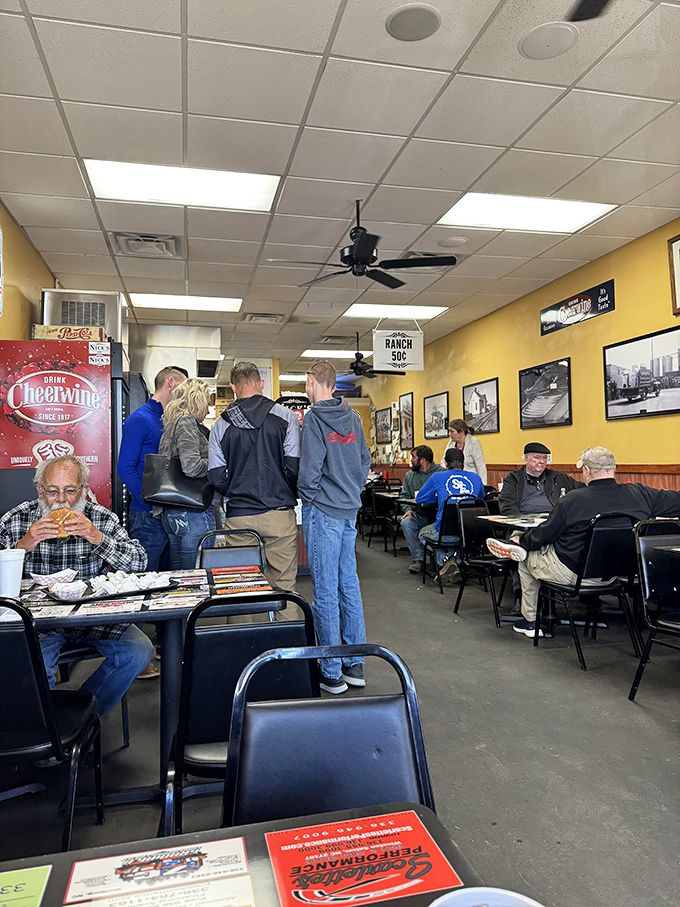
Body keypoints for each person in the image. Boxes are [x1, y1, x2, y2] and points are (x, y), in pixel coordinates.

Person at [0, 455, 153, 717]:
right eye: (52, 491)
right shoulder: (17, 519)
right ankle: (45, 735)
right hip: (38, 624)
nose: (61, 500)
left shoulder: (99, 518)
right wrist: (22, 546)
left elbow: (139, 563)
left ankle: (81, 722)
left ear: (83, 490)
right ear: (40, 490)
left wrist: (97, 538)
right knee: (33, 662)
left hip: (92, 617)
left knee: (139, 650)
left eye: (70, 490)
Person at [487, 447, 680, 638]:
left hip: (576, 574)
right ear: (614, 469)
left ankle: (530, 622)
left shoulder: (572, 500)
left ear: (586, 470)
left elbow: (543, 536)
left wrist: (522, 540)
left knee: (527, 557)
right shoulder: (641, 493)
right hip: (622, 575)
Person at [298, 360, 371, 694]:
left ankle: (330, 671)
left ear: (313, 381)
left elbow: (309, 470)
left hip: (324, 512)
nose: (306, 389)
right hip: (348, 511)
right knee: (348, 584)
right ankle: (354, 663)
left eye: (306, 383)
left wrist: (312, 497)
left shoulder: (314, 418)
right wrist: (350, 491)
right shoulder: (353, 417)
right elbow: (364, 464)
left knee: (325, 588)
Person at [208, 361, 300, 592]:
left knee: (240, 586)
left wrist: (238, 488)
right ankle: (285, 626)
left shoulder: (220, 425)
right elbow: (293, 467)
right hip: (279, 514)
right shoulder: (286, 417)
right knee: (285, 586)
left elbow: (217, 476)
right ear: (261, 383)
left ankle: (244, 626)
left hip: (239, 516)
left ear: (232, 387)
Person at [499, 441, 584, 614]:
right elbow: (506, 504)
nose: (541, 462)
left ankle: (588, 596)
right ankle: (520, 594)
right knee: (519, 547)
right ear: (526, 459)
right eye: (537, 458)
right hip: (524, 525)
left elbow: (582, 491)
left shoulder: (558, 477)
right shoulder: (514, 479)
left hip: (555, 524)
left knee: (581, 537)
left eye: (544, 458)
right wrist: (520, 520)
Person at [117, 365, 188, 569]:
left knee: (169, 577)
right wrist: (147, 502)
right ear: (171, 383)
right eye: (182, 387)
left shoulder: (171, 420)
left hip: (169, 514)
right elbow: (125, 467)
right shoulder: (140, 419)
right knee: (145, 575)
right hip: (146, 515)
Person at [156, 379, 218, 570]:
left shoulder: (172, 424)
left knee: (181, 578)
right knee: (198, 577)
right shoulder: (186, 422)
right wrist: (217, 466)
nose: (207, 410)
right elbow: (191, 467)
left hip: (172, 511)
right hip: (193, 512)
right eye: (207, 403)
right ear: (197, 400)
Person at [415, 447, 486, 580]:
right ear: (464, 464)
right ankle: (454, 560)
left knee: (422, 534)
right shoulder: (475, 478)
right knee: (454, 540)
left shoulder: (437, 476)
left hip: (444, 534)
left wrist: (440, 498)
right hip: (469, 534)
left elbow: (420, 498)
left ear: (445, 464)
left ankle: (446, 560)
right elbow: (481, 499)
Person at [398, 445, 444, 574]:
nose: (411, 460)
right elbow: (404, 495)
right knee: (406, 522)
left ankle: (443, 561)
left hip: (438, 516)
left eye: (413, 457)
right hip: (420, 514)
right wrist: (407, 509)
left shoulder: (441, 473)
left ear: (423, 460)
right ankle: (418, 560)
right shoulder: (409, 476)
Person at [440, 419, 487, 484]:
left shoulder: (474, 443)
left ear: (461, 432)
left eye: (452, 431)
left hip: (470, 481)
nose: (449, 434)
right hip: (453, 480)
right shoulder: (451, 443)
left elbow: (481, 467)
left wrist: (483, 486)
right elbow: (443, 461)